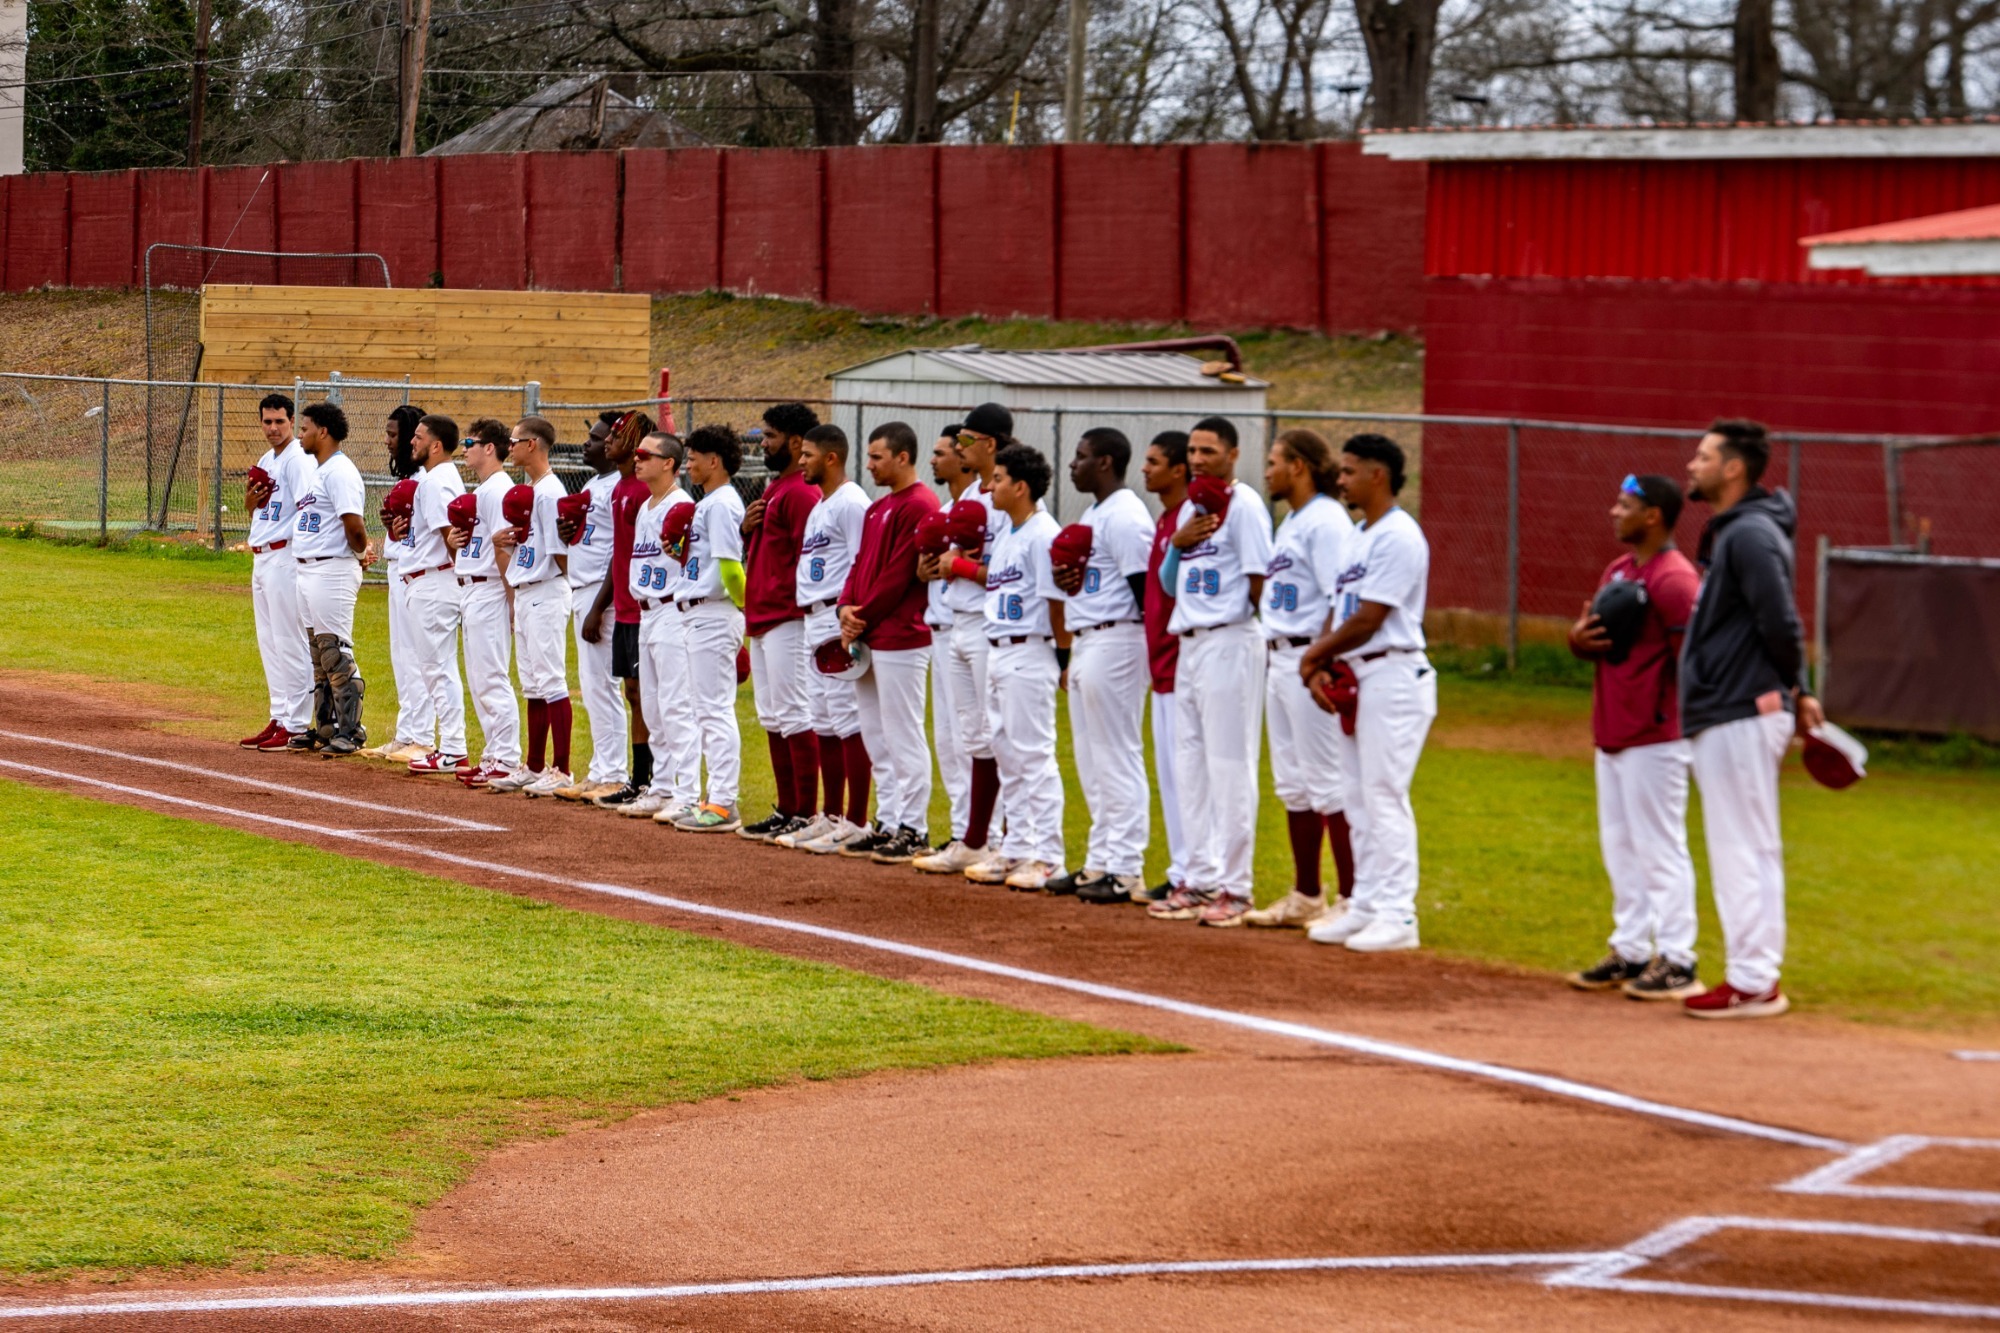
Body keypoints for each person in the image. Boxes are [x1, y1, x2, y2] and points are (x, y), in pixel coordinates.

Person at [1678, 419, 1817, 1019]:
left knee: (1740, 846)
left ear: (1733, 468)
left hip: (1740, 707)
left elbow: (1780, 620)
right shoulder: (1742, 530)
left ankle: (1752, 978)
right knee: (1752, 844)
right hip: (1738, 705)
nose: (1692, 465)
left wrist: (1796, 687)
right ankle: (1756, 974)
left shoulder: (1749, 534)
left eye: (1704, 456)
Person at [1563, 473, 1704, 999]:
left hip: (1657, 734)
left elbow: (1694, 662)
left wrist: (1686, 725)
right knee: (1621, 846)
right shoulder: (1620, 570)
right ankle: (1631, 948)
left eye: (1625, 505)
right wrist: (1577, 640)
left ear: (1653, 516)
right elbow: (1594, 642)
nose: (1614, 512)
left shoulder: (1675, 580)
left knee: (1660, 847)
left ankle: (1679, 958)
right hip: (1614, 727)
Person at [1299, 434, 1435, 953]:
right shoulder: (1359, 533)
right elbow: (1340, 611)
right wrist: (1322, 663)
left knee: (1383, 795)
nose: (1341, 479)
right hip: (1359, 676)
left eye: (1350, 470)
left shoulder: (1399, 535)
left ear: (1379, 475)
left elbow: (1370, 618)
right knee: (1356, 796)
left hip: (1394, 674)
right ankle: (1367, 904)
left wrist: (1312, 657)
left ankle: (1399, 914)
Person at [1151, 417, 1274, 926]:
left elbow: (1260, 582)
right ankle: (1199, 878)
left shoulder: (1244, 505)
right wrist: (1178, 543)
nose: (1198, 459)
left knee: (1230, 764)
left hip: (1230, 638)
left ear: (1232, 454)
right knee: (1191, 765)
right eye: (1194, 451)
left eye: (1208, 450)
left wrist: (1260, 640)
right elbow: (1169, 585)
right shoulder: (1191, 509)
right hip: (1191, 642)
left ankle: (1236, 887)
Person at [1244, 429, 1357, 930]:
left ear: (1299, 466)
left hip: (1309, 657)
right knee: (1293, 783)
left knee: (1329, 781)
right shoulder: (1294, 519)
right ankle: (1307, 894)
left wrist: (1321, 660)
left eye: (1274, 462)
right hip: (1280, 656)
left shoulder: (1327, 520)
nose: (1267, 471)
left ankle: (1352, 899)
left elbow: (1340, 596)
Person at [1046, 427, 1152, 901]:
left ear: (1106, 462)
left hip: (1119, 638)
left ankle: (1126, 868)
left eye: (1082, 456)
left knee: (1118, 755)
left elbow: (1144, 592)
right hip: (1090, 638)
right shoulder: (1096, 512)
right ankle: (1101, 860)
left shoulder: (1126, 515)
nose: (1073, 464)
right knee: (1092, 759)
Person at [1092, 430, 1193, 907]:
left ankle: (1175, 871)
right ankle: (1175, 869)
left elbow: (1148, 595)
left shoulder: (1155, 516)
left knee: (1174, 770)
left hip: (1168, 654)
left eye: (1155, 461)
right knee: (1163, 772)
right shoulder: (1164, 518)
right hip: (1156, 655)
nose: (1145, 469)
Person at [836, 422, 943, 863]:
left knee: (903, 733)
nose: (869, 465)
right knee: (877, 736)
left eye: (877, 457)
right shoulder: (879, 506)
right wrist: (845, 606)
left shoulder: (919, 503)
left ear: (903, 457)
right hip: (870, 632)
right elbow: (860, 563)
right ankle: (889, 820)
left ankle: (914, 828)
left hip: (901, 634)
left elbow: (899, 574)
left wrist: (859, 617)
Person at [912, 403, 1010, 875]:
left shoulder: (1008, 495)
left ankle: (1001, 839)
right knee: (965, 737)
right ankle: (971, 837)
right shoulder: (972, 494)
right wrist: (934, 566)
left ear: (989, 444)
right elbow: (949, 564)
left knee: (995, 734)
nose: (958, 446)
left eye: (966, 440)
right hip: (957, 621)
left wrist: (962, 567)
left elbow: (1008, 570)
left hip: (991, 624)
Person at [968, 443, 1067, 891]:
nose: (990, 487)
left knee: (1034, 756)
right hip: (999, 650)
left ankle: (1048, 857)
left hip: (1030, 650)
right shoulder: (1010, 531)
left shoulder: (1044, 534)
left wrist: (1063, 659)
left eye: (999, 479)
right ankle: (1017, 848)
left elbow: (1056, 603)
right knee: (1007, 754)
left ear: (1021, 487)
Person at [782, 423, 874, 852]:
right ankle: (831, 815)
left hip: (838, 614)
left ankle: (856, 820)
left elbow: (863, 562)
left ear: (831, 457)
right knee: (822, 719)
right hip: (813, 618)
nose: (801, 461)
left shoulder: (852, 502)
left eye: (809, 454)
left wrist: (851, 618)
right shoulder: (822, 503)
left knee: (846, 718)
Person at [739, 404, 823, 840]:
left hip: (788, 616)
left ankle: (806, 812)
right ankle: (788, 808)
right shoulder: (777, 487)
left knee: (793, 713)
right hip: (764, 616)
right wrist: (746, 530)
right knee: (772, 715)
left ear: (795, 441)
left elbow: (809, 560)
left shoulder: (802, 492)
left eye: (770, 436)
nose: (764, 444)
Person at [667, 425, 749, 832]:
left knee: (714, 711)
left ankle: (723, 803)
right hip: (701, 613)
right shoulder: (711, 502)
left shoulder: (721, 504)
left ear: (714, 461)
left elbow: (732, 569)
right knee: (705, 710)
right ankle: (714, 797)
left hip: (714, 612)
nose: (689, 465)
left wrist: (746, 612)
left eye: (695, 457)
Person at [488, 415, 575, 797]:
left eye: (514, 441)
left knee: (551, 680)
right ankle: (535, 765)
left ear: (532, 444)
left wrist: (567, 590)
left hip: (547, 589)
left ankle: (562, 769)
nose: (509, 447)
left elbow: (560, 553)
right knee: (532, 684)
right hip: (527, 590)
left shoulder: (550, 492)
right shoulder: (532, 490)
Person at [287, 402, 375, 755]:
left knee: (335, 650)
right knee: (318, 653)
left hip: (332, 568)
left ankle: (351, 731)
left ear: (323, 431)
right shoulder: (320, 470)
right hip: (309, 568)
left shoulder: (340, 471)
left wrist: (361, 554)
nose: (300, 434)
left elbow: (354, 526)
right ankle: (326, 727)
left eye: (305, 428)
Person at [552, 424, 631, 801]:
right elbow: (591, 538)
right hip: (583, 588)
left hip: (602, 592)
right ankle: (601, 769)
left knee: (602, 685)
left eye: (598, 438)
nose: (590, 443)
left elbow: (620, 549)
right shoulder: (593, 484)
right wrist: (568, 533)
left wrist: (599, 606)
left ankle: (613, 773)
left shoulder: (619, 486)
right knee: (594, 684)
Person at [620, 431, 697, 823]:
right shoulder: (647, 506)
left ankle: (688, 792)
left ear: (669, 463)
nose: (637, 459)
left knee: (675, 704)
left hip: (672, 610)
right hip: (647, 613)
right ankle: (663, 786)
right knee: (651, 706)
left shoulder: (681, 506)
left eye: (645, 454)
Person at [583, 411, 658, 807]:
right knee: (633, 692)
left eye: (617, 434)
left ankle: (656, 779)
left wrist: (599, 606)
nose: (609, 440)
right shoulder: (620, 488)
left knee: (650, 694)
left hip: (644, 606)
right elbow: (619, 550)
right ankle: (640, 778)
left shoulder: (644, 490)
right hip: (626, 605)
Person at [359, 405, 437, 764]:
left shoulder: (425, 478)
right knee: (401, 655)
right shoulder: (409, 477)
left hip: (415, 572)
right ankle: (406, 733)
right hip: (399, 568)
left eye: (394, 435)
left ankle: (423, 737)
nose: (388, 441)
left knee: (417, 655)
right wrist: (392, 525)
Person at [240, 392, 316, 752]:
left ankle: (297, 722)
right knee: (269, 641)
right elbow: (258, 510)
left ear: (291, 421)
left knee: (289, 640)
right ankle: (280, 715)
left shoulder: (298, 460)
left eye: (280, 421)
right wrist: (248, 504)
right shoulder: (267, 459)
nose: (273, 428)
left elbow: (306, 508)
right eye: (267, 421)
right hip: (262, 555)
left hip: (285, 555)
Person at [452, 418, 523, 789]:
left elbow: (504, 547)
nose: (465, 449)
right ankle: (494, 754)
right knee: (479, 678)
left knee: (491, 675)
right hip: (471, 588)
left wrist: (512, 603)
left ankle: (507, 757)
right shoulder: (484, 490)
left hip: (491, 588)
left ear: (490, 448)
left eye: (471, 443)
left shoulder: (498, 490)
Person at [914, 424, 974, 862]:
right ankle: (960, 831)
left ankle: (980, 833)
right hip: (940, 629)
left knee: (972, 739)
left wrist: (957, 565)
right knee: (949, 741)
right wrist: (925, 569)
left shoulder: (980, 507)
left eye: (941, 452)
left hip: (966, 628)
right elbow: (928, 573)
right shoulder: (948, 509)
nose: (933, 459)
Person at [400, 413, 470, 776]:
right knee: (437, 668)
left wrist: (462, 580)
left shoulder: (435, 480)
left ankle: (454, 748)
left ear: (436, 445)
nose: (413, 441)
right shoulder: (439, 477)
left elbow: (450, 536)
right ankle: (452, 746)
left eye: (419, 436)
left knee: (438, 669)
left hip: (434, 581)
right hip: (432, 580)